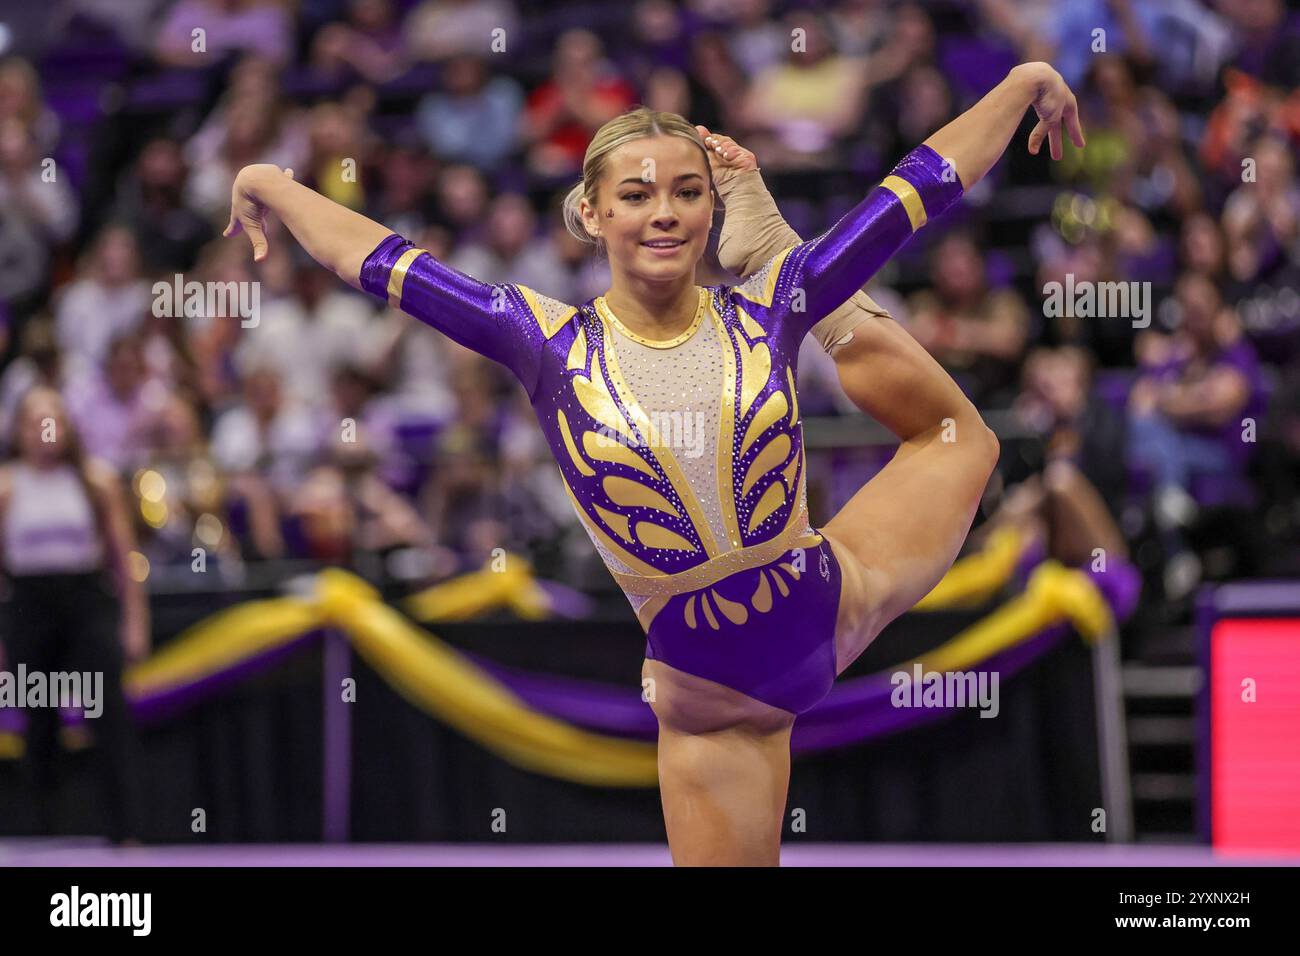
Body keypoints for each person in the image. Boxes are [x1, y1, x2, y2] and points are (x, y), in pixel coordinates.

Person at [223, 62, 1083, 865]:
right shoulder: (544, 340)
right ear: (592, 213)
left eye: (687, 193)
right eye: (635, 195)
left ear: (711, 209)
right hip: (718, 709)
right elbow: (376, 260)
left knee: (960, 436)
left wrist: (1021, 85)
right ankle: (775, 241)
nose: (664, 212)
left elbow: (917, 191)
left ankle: (770, 238)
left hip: (835, 593)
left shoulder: (765, 316)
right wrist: (275, 186)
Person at [0, 387, 147, 842]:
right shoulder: (6, 486)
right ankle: (42, 831)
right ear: (20, 431)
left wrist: (134, 621)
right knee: (39, 718)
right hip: (29, 602)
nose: (46, 434)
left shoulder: (95, 481)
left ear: (67, 429)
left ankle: (127, 831)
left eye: (54, 423)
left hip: (85, 599)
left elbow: (125, 558)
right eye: (35, 424)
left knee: (108, 715)